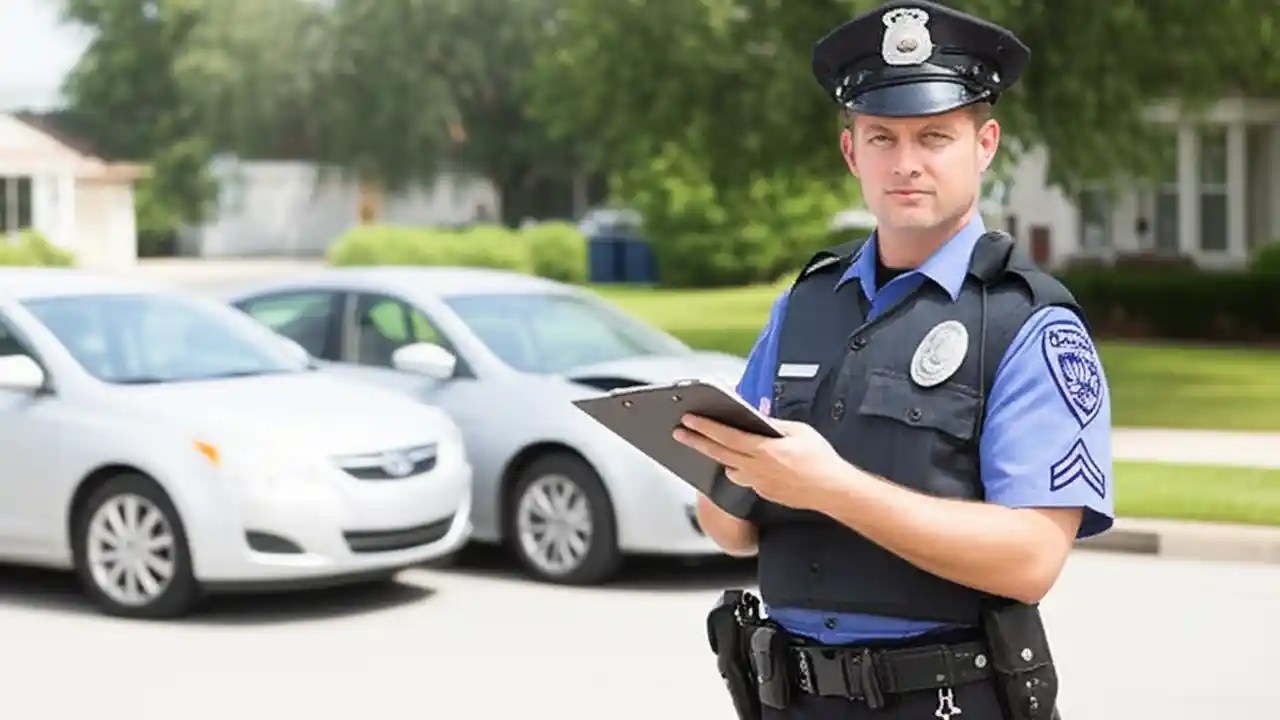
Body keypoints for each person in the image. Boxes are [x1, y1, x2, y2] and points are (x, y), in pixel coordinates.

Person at [674, 2, 1115, 719]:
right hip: (791, 697)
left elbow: (1032, 560)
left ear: (986, 144)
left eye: (935, 136)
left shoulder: (1025, 321)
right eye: (882, 137)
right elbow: (730, 532)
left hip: (940, 699)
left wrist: (828, 486)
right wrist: (718, 467)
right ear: (852, 152)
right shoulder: (805, 305)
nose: (906, 163)